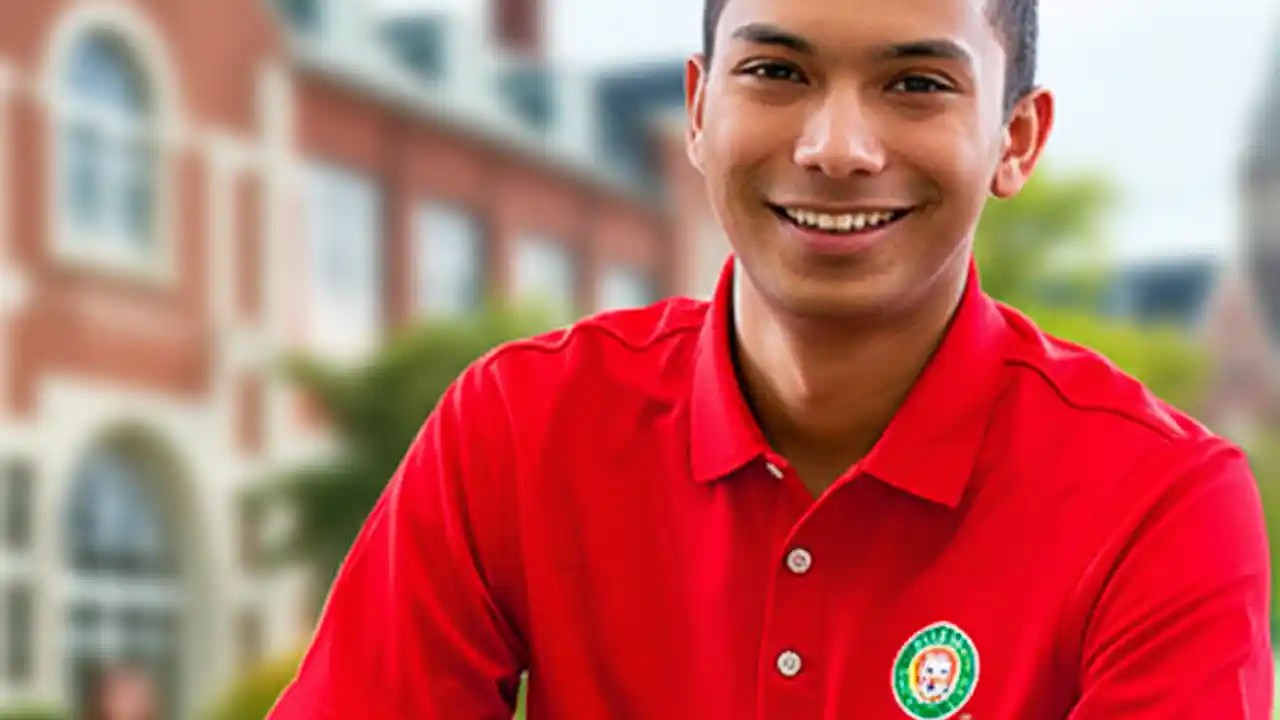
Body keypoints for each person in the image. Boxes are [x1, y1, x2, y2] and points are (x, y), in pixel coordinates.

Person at [270, 0, 1274, 716]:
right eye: (777, 73)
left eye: (915, 83)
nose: (836, 146)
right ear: (699, 113)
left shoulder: (1159, 502)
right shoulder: (517, 425)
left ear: (1014, 138)